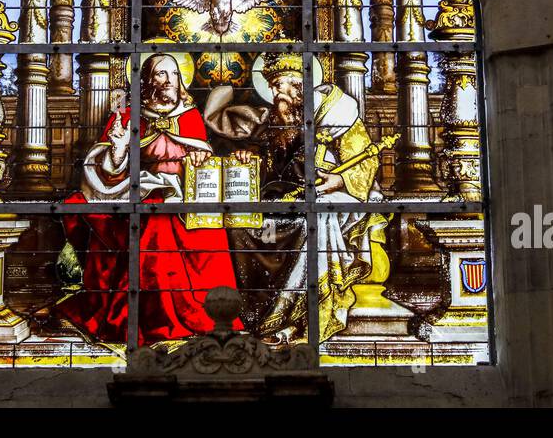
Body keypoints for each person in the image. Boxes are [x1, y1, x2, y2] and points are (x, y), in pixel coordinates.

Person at [204, 54, 389, 344]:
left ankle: (299, 319)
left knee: (314, 222)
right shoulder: (272, 124)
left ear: (300, 85)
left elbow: (364, 163)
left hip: (328, 195)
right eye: (274, 87)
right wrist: (248, 158)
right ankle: (257, 317)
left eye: (281, 86)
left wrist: (338, 180)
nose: (277, 93)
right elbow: (271, 169)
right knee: (241, 228)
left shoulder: (336, 113)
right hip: (281, 203)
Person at [58, 53, 242, 345]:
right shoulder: (129, 116)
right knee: (156, 227)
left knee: (212, 230)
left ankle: (214, 314)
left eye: (173, 74)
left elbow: (202, 158)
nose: (168, 81)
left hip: (185, 192)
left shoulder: (190, 115)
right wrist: (118, 151)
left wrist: (198, 158)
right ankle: (155, 320)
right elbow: (107, 169)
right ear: (147, 80)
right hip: (141, 188)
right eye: (160, 74)